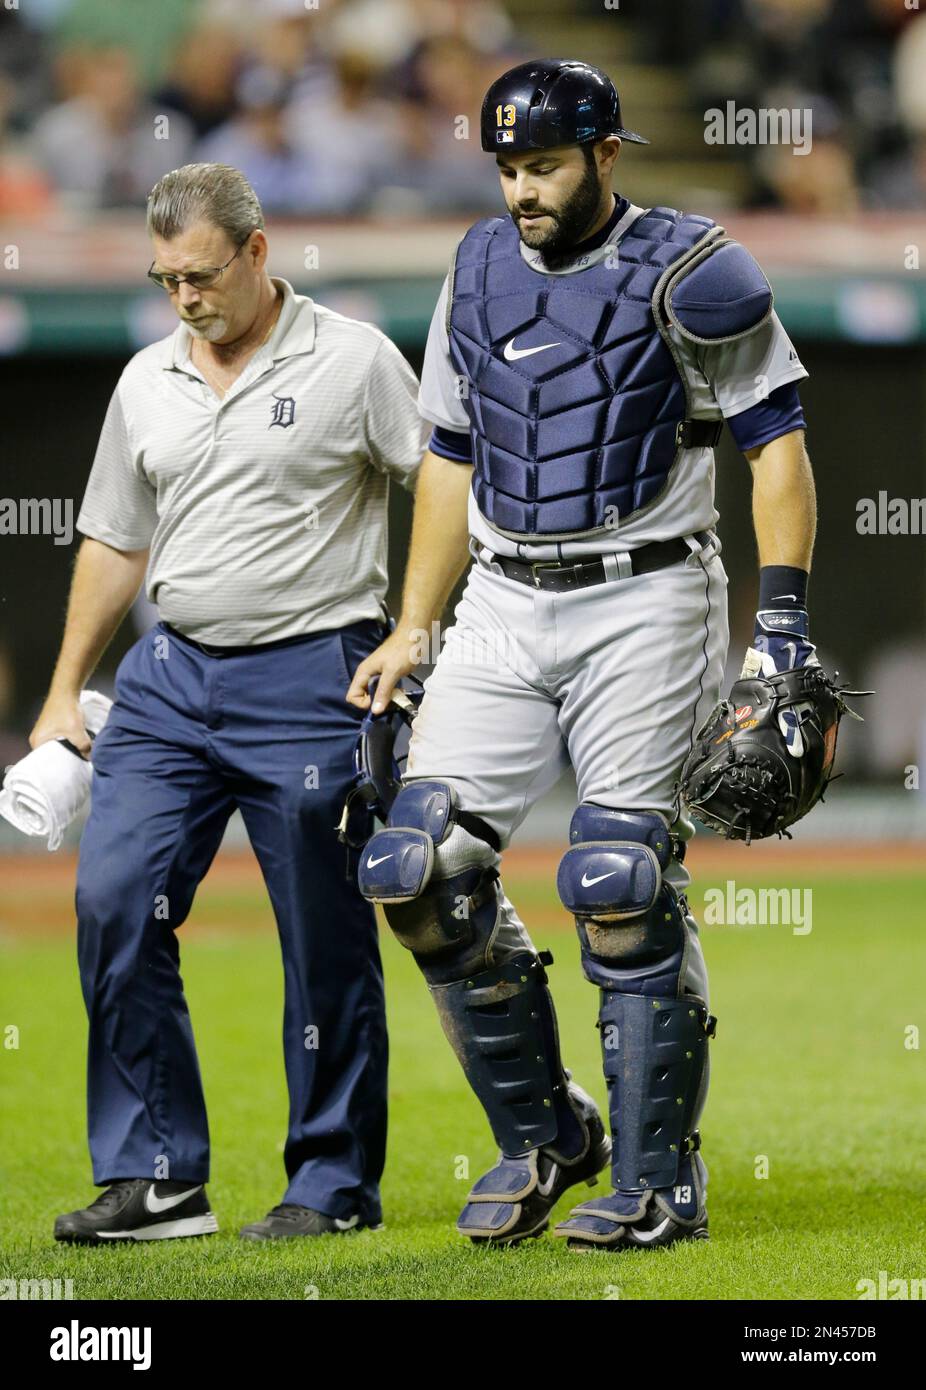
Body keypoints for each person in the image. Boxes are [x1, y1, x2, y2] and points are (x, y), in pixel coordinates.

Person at [348, 60, 815, 1249]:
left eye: (544, 165)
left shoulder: (692, 265)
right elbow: (447, 457)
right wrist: (413, 623)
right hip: (501, 597)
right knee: (413, 868)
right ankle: (546, 1133)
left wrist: (779, 627)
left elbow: (774, 445)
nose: (521, 189)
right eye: (507, 167)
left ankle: (659, 1179)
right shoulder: (472, 267)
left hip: (645, 594)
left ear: (606, 153)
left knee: (617, 878)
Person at [30, 161, 427, 1243]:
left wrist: (416, 628)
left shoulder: (354, 359)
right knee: (115, 899)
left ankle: (331, 1184)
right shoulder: (145, 376)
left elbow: (448, 484)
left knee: (322, 937)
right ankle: (156, 1178)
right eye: (166, 279)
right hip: (168, 679)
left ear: (257, 251)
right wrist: (63, 690)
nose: (185, 298)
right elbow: (115, 538)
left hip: (314, 673)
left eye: (201, 275)